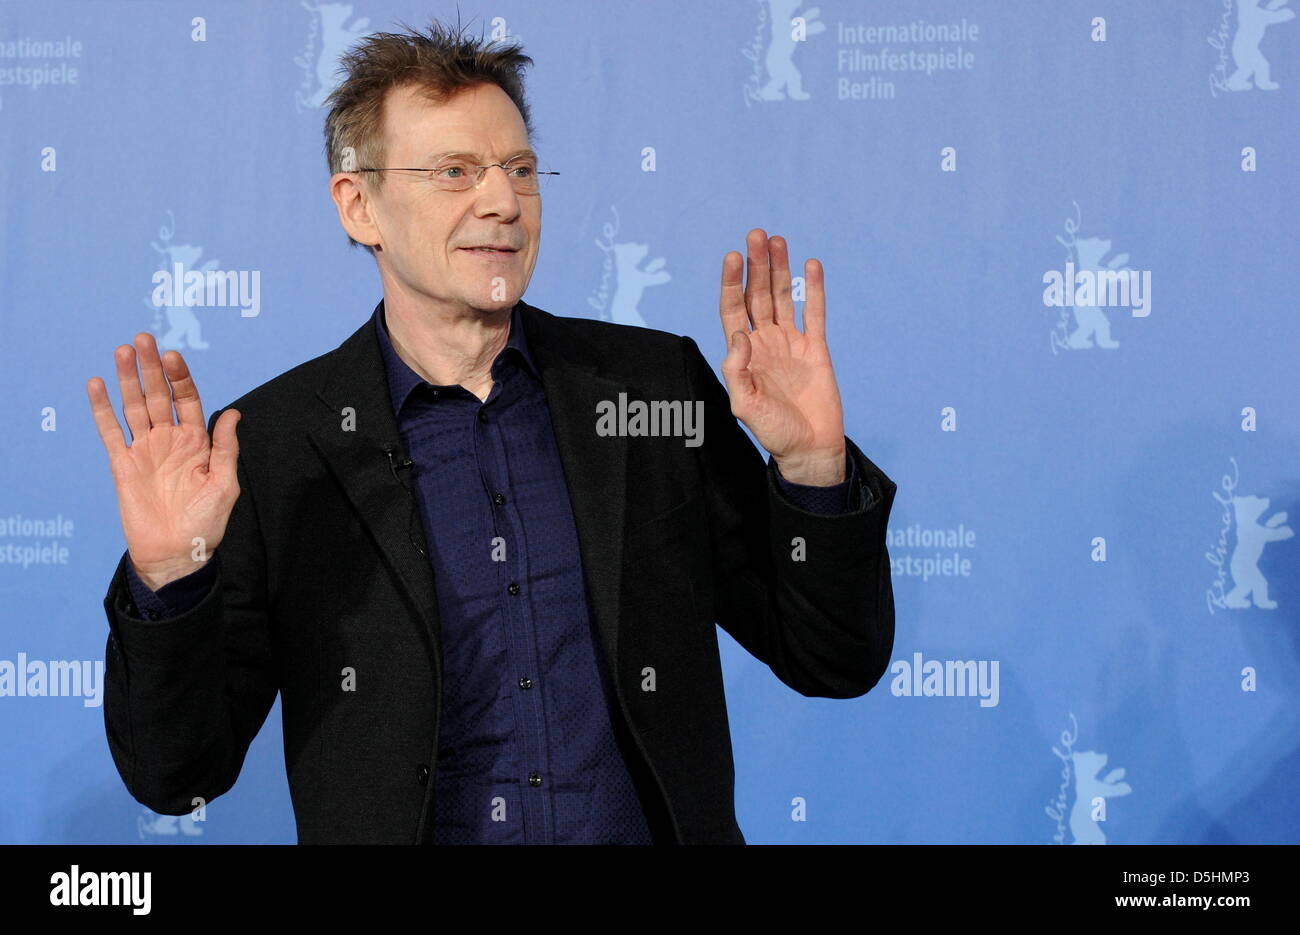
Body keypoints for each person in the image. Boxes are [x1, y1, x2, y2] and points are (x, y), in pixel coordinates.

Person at [86, 20, 898, 844]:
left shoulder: (653, 390)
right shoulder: (271, 448)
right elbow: (176, 775)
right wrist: (168, 579)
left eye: (518, 169)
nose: (503, 201)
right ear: (359, 204)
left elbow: (832, 657)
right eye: (454, 172)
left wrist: (811, 466)